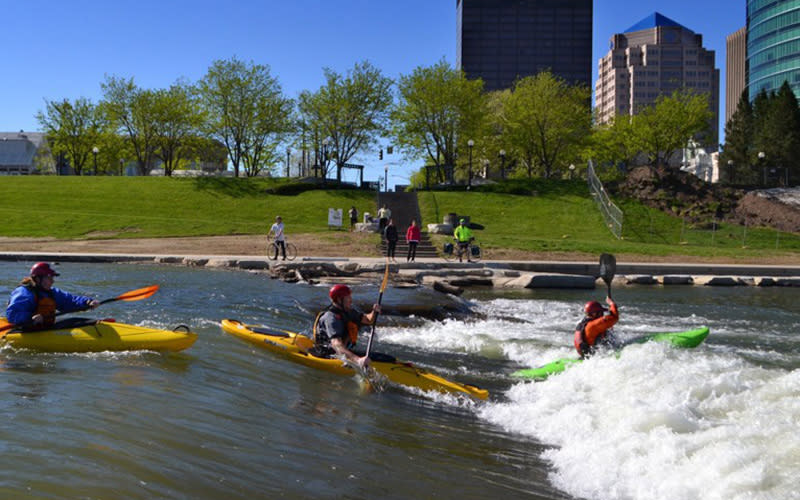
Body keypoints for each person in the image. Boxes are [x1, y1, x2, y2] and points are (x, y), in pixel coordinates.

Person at [5, 262, 99, 329]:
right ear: (38, 279)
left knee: (76, 320)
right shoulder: (24, 292)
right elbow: (12, 315)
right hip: (26, 329)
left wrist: (87, 302)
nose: (52, 281)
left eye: (52, 277)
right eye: (49, 277)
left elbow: (69, 301)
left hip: (45, 328)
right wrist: (30, 317)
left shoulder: (52, 292)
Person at [312, 284, 380, 368]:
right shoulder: (331, 318)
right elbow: (336, 345)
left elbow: (369, 320)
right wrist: (358, 360)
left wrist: (374, 311)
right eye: (348, 298)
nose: (351, 300)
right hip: (329, 355)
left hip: (342, 353)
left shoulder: (349, 312)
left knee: (383, 358)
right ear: (339, 300)